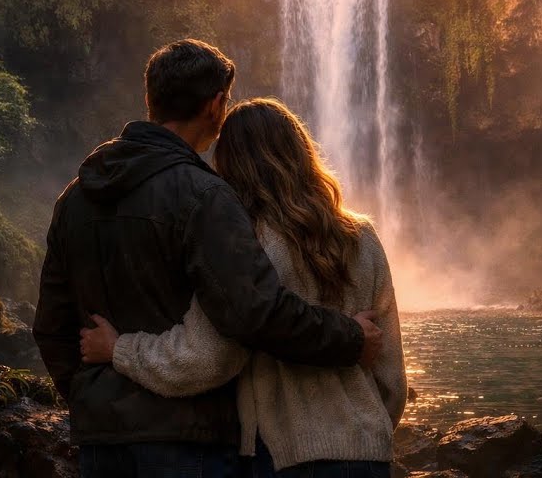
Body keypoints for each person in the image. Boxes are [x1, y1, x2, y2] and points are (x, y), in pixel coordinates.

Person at [33, 39, 383, 477]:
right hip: (188, 438)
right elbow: (253, 312)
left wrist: (91, 397)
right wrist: (351, 338)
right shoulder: (204, 195)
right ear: (216, 106)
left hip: (102, 441)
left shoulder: (74, 200)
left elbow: (51, 325)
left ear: (152, 100)